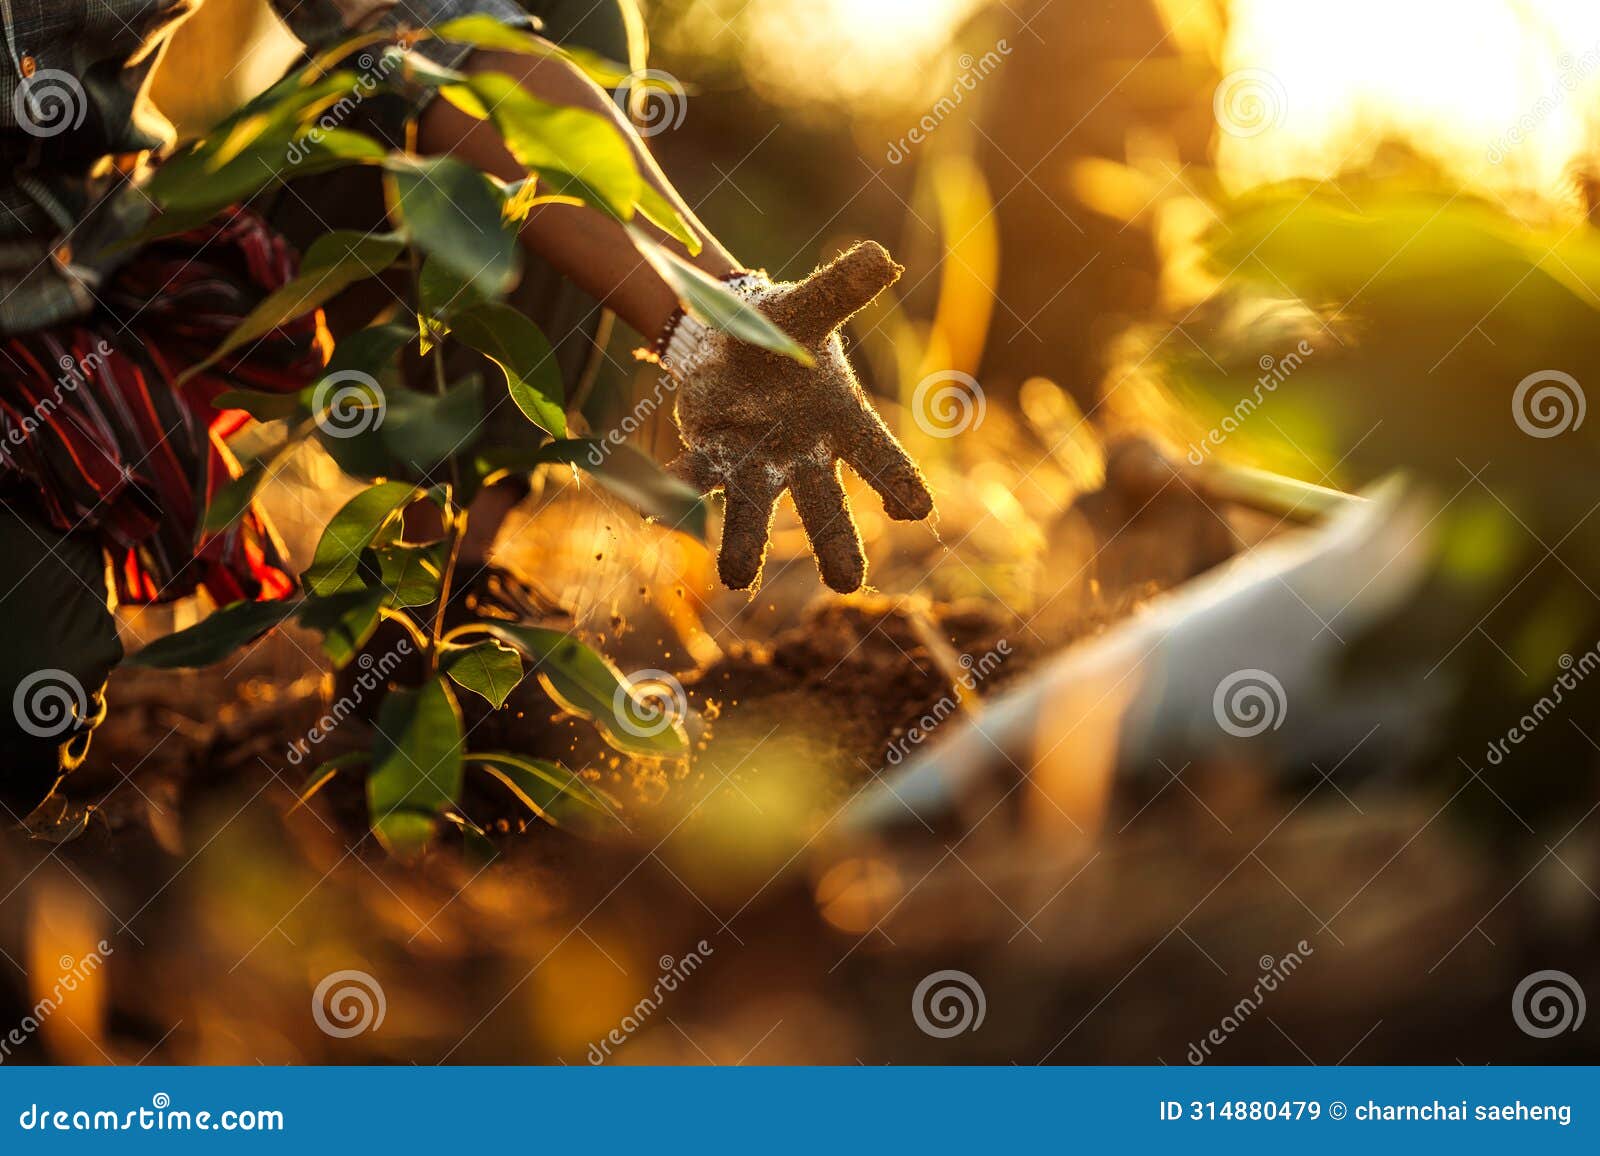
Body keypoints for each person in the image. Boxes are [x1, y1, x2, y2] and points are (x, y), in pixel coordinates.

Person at [0, 0, 934, 819]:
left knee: (549, 12)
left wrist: (728, 320)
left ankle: (436, 626)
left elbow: (440, 40)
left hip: (108, 277)